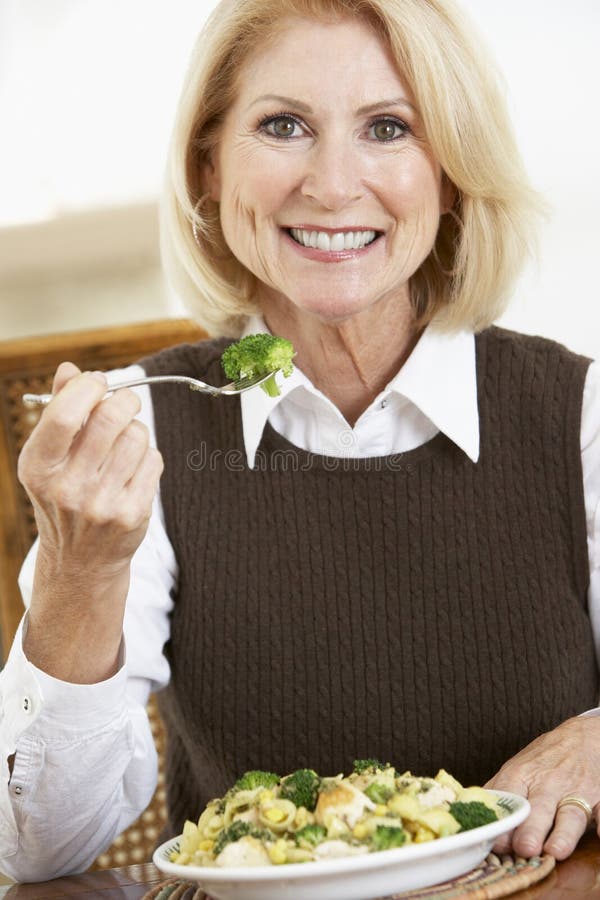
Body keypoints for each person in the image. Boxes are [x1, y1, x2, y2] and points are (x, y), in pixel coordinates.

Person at [1, 0, 600, 883]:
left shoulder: (578, 416)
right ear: (209, 165)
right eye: (283, 125)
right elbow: (37, 846)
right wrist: (79, 574)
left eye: (388, 128)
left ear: (452, 173)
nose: (331, 184)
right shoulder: (142, 424)